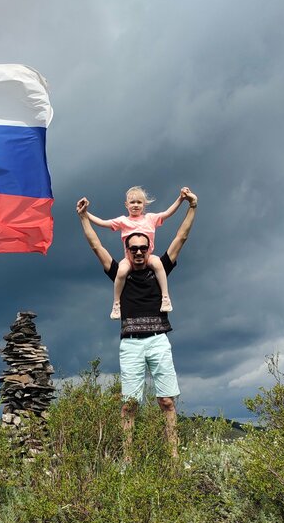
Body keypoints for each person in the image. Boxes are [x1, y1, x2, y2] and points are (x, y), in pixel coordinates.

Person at [76, 188, 198, 459]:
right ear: (127, 250)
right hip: (130, 344)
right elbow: (97, 246)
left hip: (158, 339)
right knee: (129, 405)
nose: (140, 252)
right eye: (134, 248)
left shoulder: (160, 268)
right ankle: (128, 461)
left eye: (144, 247)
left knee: (166, 401)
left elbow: (181, 237)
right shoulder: (121, 273)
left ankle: (174, 458)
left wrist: (192, 207)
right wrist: (84, 217)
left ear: (149, 248)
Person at [82, 186, 188, 319]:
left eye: (139, 202)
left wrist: (181, 199)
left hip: (147, 257)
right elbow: (103, 223)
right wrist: (86, 214)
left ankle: (165, 297)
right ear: (126, 205)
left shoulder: (150, 218)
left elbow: (167, 213)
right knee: (120, 272)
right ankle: (116, 304)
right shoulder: (123, 221)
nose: (135, 205)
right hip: (129, 258)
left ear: (144, 205)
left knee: (158, 264)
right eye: (132, 202)